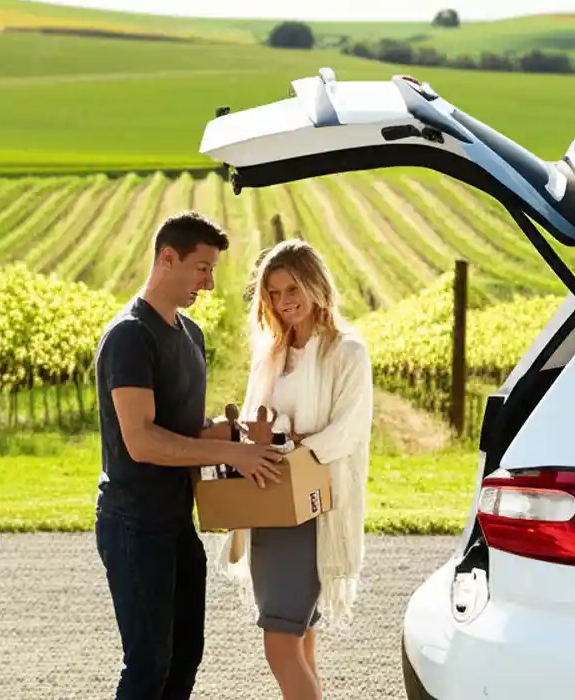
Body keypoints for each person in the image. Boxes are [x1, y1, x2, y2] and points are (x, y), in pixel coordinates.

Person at [94, 210, 284, 700]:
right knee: (148, 667)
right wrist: (229, 452)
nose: (210, 282)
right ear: (167, 258)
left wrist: (231, 433)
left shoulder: (191, 334)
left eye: (212, 270)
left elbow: (183, 432)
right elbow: (142, 441)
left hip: (177, 520)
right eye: (202, 268)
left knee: (184, 660)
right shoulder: (130, 337)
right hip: (134, 523)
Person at [220, 239, 375, 700]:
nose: (283, 301)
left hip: (311, 511)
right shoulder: (271, 355)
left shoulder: (348, 352)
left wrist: (286, 443)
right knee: (301, 637)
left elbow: (345, 432)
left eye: (292, 289)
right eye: (273, 293)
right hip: (267, 506)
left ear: (315, 285)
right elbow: (257, 423)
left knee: (280, 641)